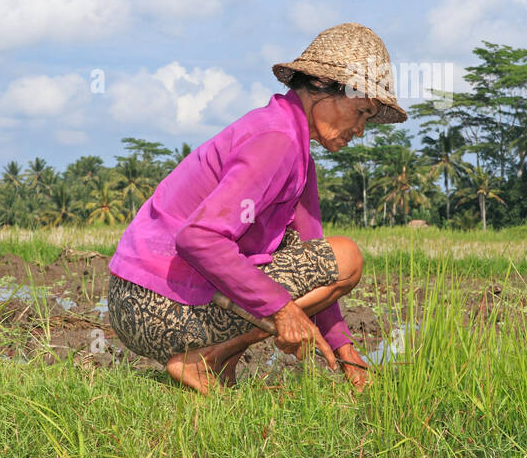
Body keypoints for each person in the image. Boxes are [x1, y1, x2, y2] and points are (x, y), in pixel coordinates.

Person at [106, 22, 408, 394]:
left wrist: (344, 349)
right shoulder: (276, 140)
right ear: (321, 89)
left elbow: (312, 258)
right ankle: (208, 358)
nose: (361, 129)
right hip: (149, 304)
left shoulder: (293, 148)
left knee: (300, 254)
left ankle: (216, 367)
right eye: (361, 112)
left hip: (144, 297)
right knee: (347, 257)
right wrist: (282, 309)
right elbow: (198, 239)